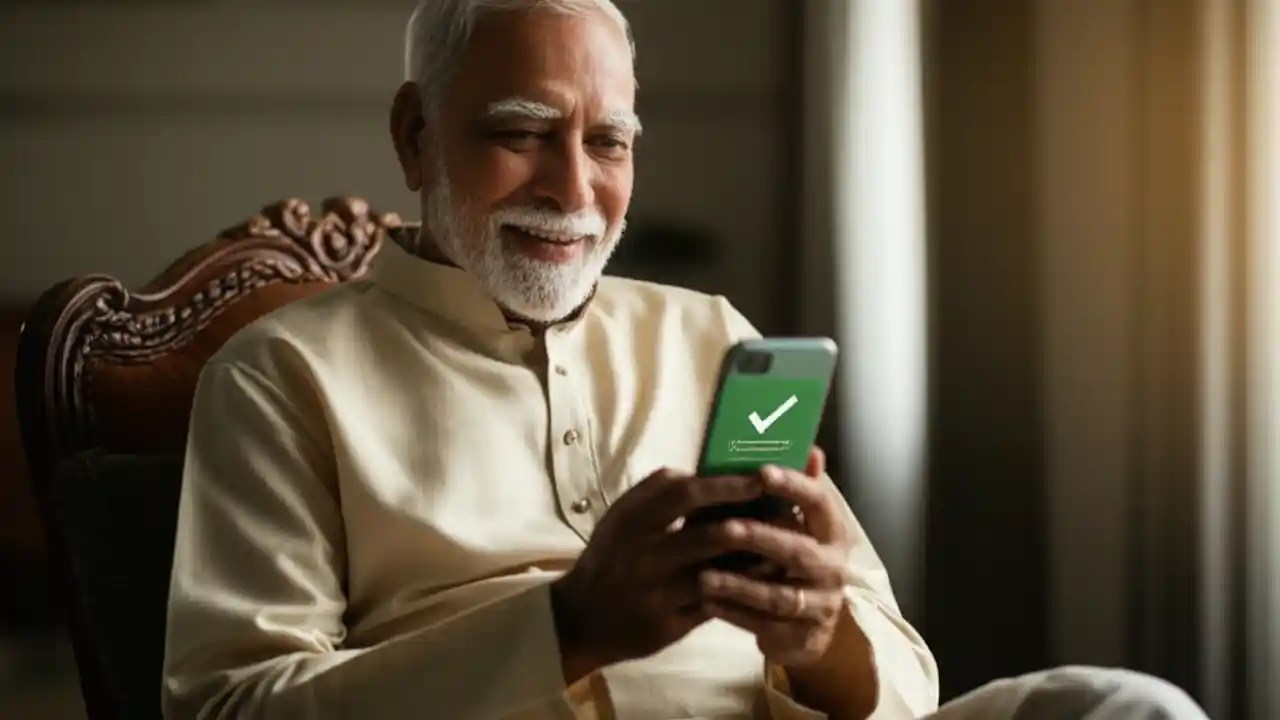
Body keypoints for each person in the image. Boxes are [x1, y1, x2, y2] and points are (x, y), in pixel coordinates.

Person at [160, 1, 1210, 718]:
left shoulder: (711, 332)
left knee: (1126, 706)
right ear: (415, 136)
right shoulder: (279, 377)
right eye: (521, 132)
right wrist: (566, 628)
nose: (572, 190)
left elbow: (904, 687)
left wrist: (818, 635)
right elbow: (226, 707)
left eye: (608, 141)